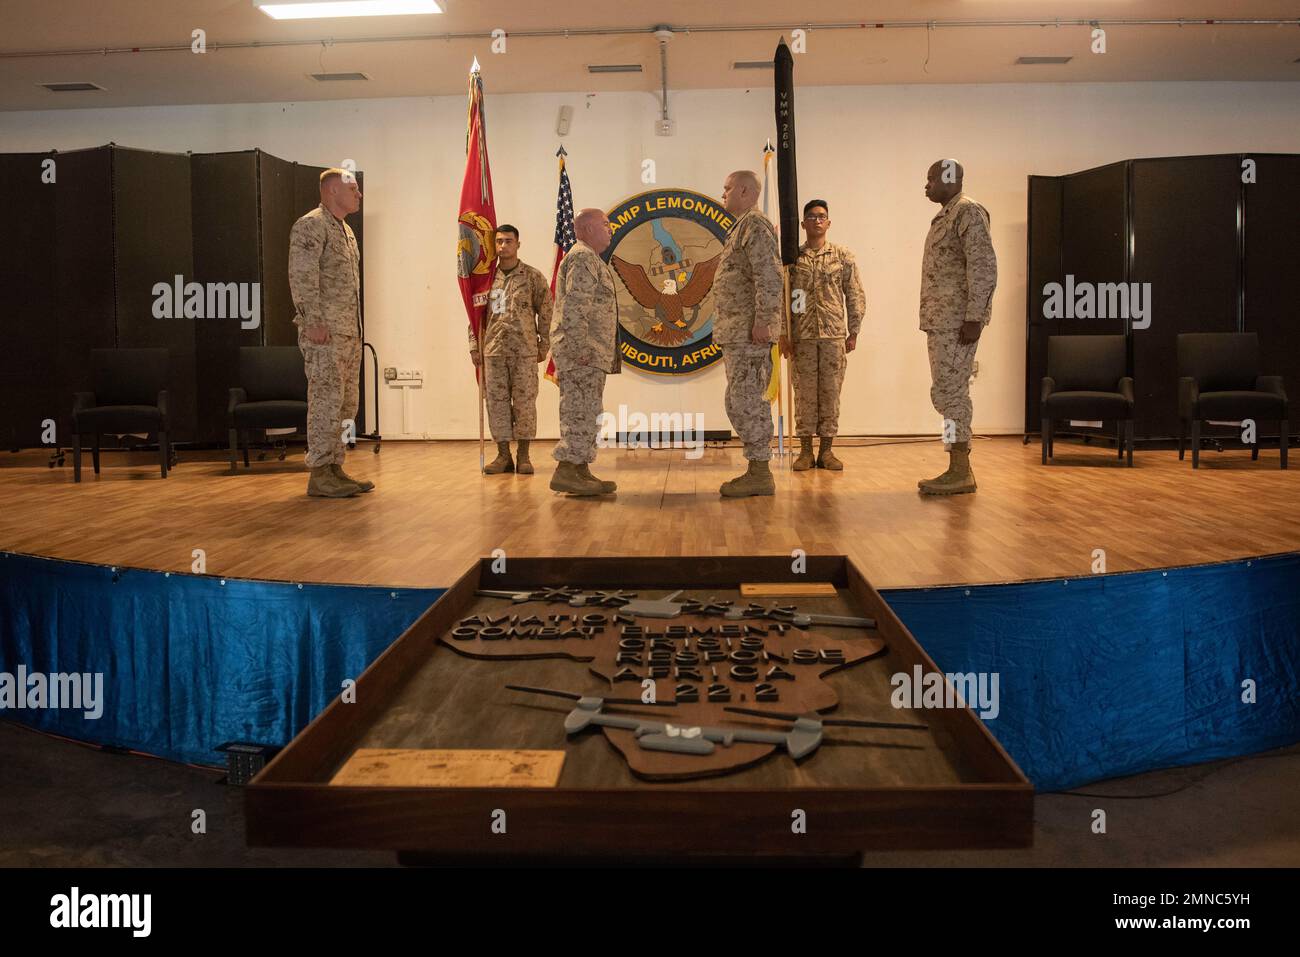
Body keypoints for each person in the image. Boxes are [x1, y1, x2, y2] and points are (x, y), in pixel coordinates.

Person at [288, 167, 372, 498]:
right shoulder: (311, 225)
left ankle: (335, 468)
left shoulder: (346, 232)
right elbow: (302, 275)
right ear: (332, 191)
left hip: (348, 334)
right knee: (325, 402)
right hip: (324, 333)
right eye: (353, 189)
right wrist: (313, 321)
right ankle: (320, 472)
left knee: (345, 404)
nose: (359, 194)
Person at [918, 159, 997, 495]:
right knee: (944, 392)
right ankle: (954, 464)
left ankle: (960, 469)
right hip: (942, 322)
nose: (926, 186)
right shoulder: (946, 215)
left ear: (949, 179)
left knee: (952, 393)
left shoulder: (968, 212)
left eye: (931, 179)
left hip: (957, 322)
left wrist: (973, 318)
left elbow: (982, 267)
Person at [779, 199, 866, 471]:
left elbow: (854, 294)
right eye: (812, 217)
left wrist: (854, 331)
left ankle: (827, 451)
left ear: (828, 223)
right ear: (803, 224)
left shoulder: (842, 256)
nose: (817, 221)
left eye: (822, 216)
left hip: (833, 336)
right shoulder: (793, 258)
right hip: (802, 336)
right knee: (804, 394)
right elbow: (783, 298)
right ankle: (805, 452)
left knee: (830, 393)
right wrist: (784, 334)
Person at [714, 170, 782, 498]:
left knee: (748, 400)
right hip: (738, 332)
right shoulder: (741, 227)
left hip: (750, 332)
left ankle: (760, 473)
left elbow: (768, 275)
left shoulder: (755, 225)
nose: (722, 193)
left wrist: (764, 321)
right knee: (738, 399)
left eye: (727, 188)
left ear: (744, 190)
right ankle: (757, 468)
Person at [549, 208, 620, 496]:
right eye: (604, 224)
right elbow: (576, 307)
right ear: (587, 229)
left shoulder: (589, 258)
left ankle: (579, 470)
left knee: (587, 411)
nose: (610, 228)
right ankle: (568, 470)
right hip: (583, 352)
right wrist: (579, 347)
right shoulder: (582, 257)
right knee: (580, 411)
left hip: (589, 352)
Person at [470, 225, 551, 475]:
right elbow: (474, 316)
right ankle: (503, 456)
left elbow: (547, 311)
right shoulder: (485, 279)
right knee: (496, 404)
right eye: (499, 241)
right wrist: (474, 346)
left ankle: (524, 456)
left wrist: (543, 344)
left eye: (508, 241)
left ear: (518, 244)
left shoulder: (532, 277)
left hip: (524, 351)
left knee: (525, 404)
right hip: (493, 350)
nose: (503, 246)